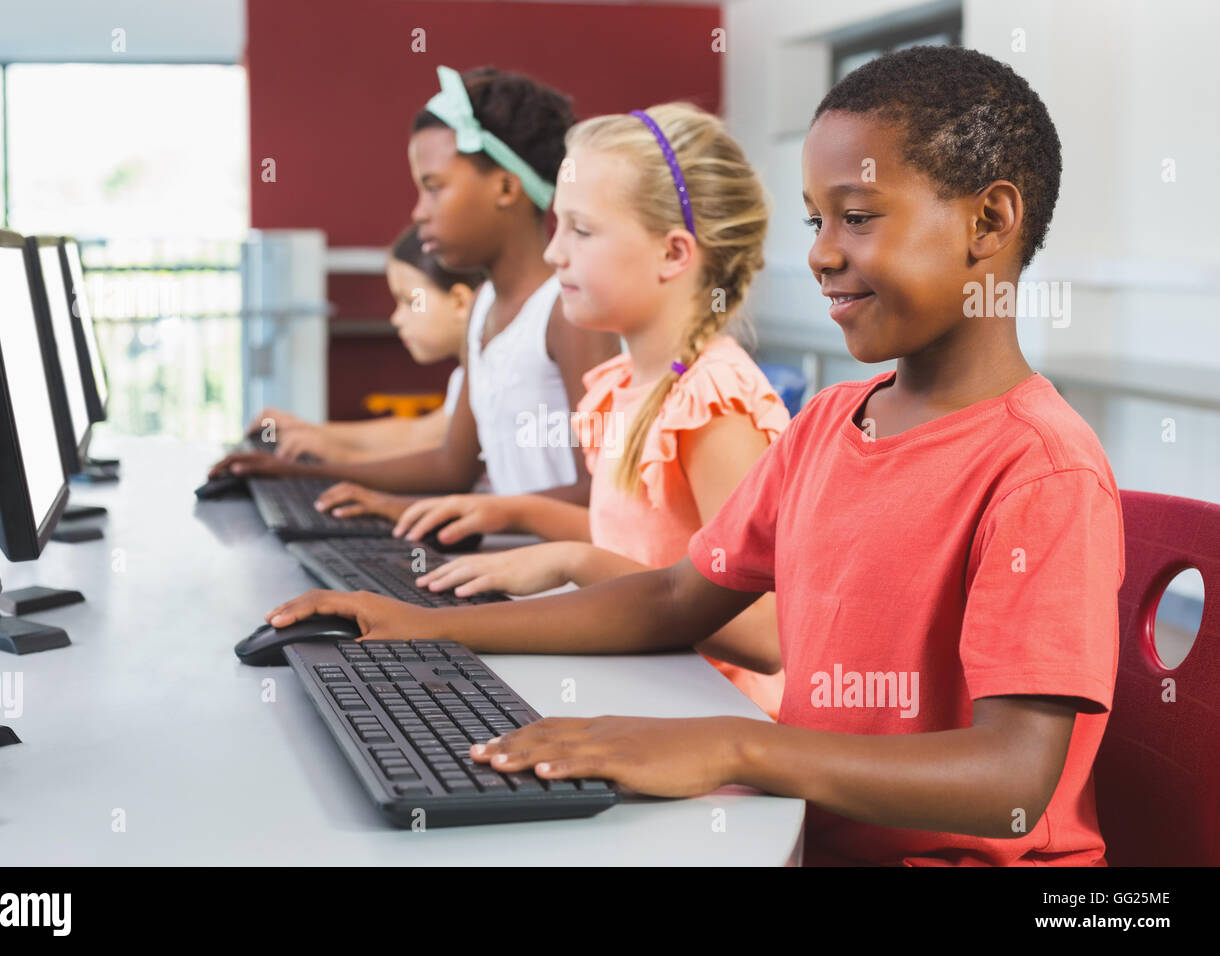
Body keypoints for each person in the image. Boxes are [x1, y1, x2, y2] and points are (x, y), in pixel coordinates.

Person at [265, 46, 1124, 866]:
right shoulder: (829, 421)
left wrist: (736, 745)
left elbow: (1013, 779)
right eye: (816, 221)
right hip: (801, 834)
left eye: (856, 219)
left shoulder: (1041, 471)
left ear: (991, 221)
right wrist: (428, 629)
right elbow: (678, 595)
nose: (823, 252)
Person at [383, 103, 788, 718]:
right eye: (557, 227)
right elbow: (642, 544)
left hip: (714, 721)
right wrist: (515, 514)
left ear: (674, 254)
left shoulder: (714, 406)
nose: (554, 254)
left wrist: (574, 561)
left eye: (582, 230)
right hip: (647, 690)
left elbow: (765, 634)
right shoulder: (626, 383)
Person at [208, 65, 620, 517]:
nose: (419, 212)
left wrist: (446, 509)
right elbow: (450, 466)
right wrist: (299, 474)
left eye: (434, 188)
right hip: (509, 567)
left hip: (556, 583)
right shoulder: (483, 308)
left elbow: (601, 490)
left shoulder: (565, 311)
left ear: (506, 187)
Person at [246, 224, 482, 468]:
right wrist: (310, 431)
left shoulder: (489, 377)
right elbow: (417, 434)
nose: (396, 318)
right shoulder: (466, 376)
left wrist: (340, 458)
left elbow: (438, 458)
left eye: (411, 301)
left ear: (460, 303)